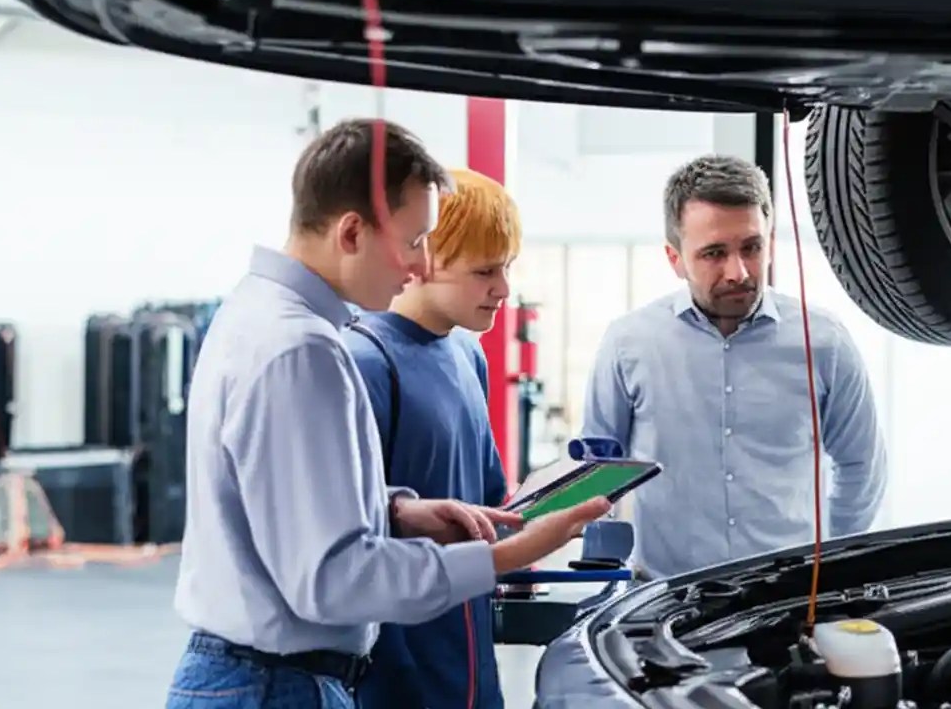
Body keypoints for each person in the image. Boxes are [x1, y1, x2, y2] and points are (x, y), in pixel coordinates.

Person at [166, 118, 609, 709]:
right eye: (415, 240)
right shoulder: (304, 348)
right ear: (352, 232)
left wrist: (395, 510)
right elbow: (331, 580)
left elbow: (278, 510)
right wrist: (507, 556)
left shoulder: (257, 313)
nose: (421, 265)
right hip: (277, 685)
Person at [580, 153, 887, 581]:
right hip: (664, 598)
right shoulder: (629, 343)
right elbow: (597, 473)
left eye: (752, 247)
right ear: (675, 258)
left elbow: (861, 467)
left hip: (788, 596)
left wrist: (826, 562)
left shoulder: (825, 342)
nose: (738, 272)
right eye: (713, 253)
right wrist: (603, 571)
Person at [343, 167, 519, 709]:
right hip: (398, 671)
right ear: (421, 260)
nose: (504, 290)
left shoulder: (468, 353)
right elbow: (347, 532)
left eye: (508, 268)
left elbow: (489, 495)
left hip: (471, 660)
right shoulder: (366, 362)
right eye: (485, 272)